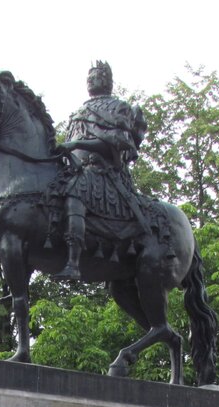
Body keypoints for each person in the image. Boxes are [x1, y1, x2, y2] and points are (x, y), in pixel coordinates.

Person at [54, 60, 148, 279]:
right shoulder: (78, 112)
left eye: (95, 76)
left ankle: (73, 262)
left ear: (106, 81)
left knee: (75, 188)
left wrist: (76, 145)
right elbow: (71, 145)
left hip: (105, 172)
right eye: (88, 76)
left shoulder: (118, 108)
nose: (90, 80)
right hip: (76, 169)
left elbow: (114, 143)